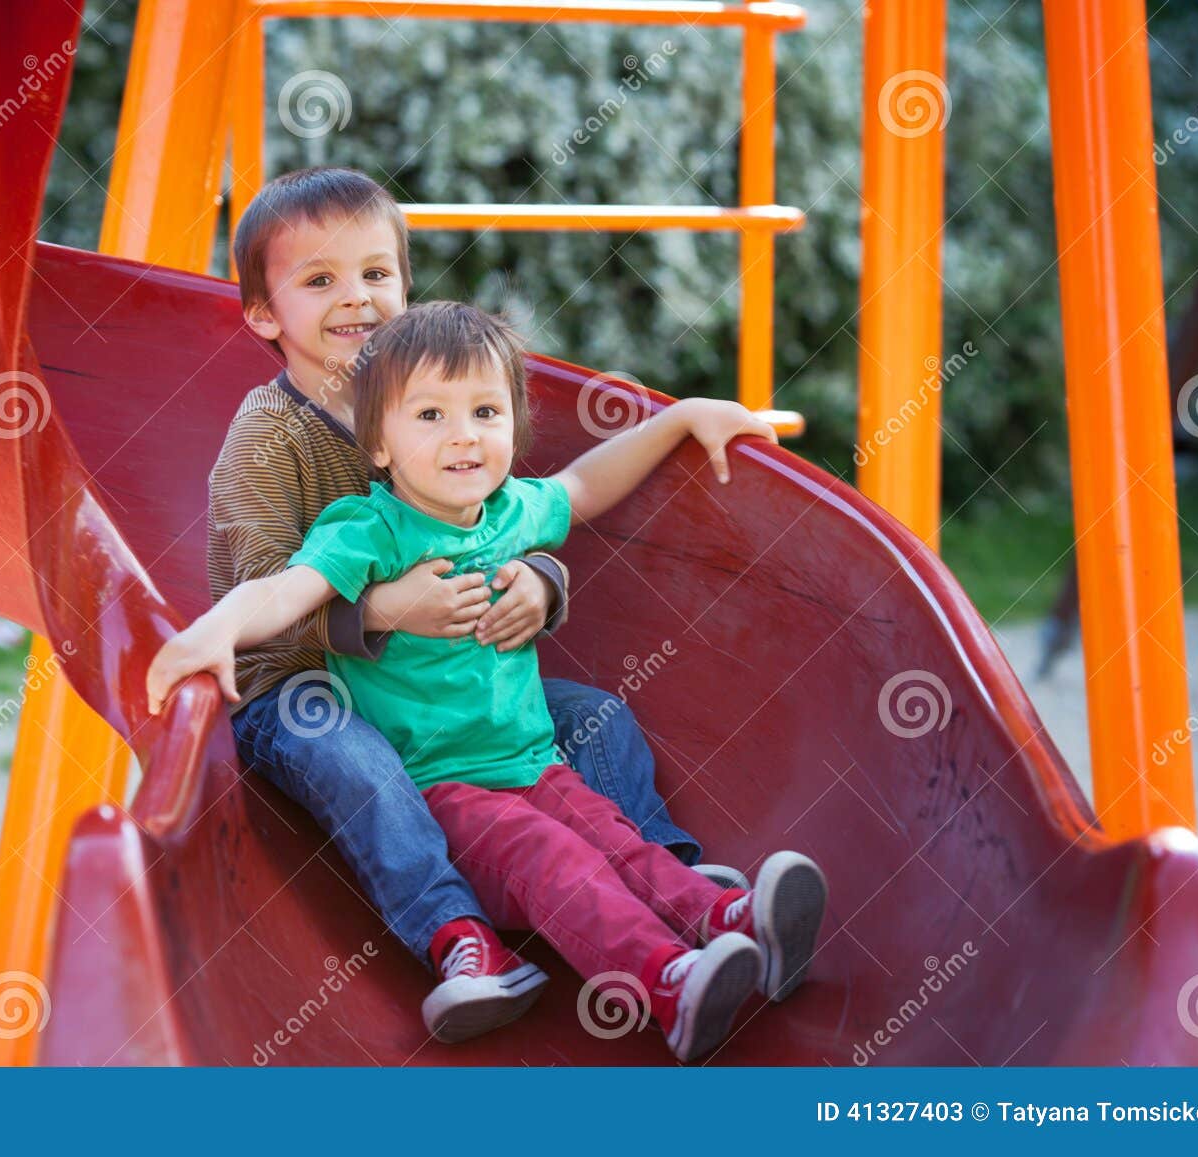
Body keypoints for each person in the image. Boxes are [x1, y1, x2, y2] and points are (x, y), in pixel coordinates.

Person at [148, 301, 828, 1061]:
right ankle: (665, 984)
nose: (464, 434)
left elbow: (582, 484)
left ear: (512, 426)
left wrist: (678, 420)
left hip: (535, 765)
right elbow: (285, 590)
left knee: (618, 838)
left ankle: (725, 919)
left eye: (484, 411)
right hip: (446, 792)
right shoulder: (367, 529)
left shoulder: (510, 511)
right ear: (379, 442)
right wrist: (214, 629)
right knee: (559, 862)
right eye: (431, 414)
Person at [190, 167, 747, 1043]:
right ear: (265, 313)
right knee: (354, 756)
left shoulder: (437, 393)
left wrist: (542, 582)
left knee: (594, 716)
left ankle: (674, 886)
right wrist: (380, 611)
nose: (357, 299)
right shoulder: (268, 438)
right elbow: (262, 587)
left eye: (377, 273)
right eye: (321, 280)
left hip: (445, 687)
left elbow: (523, 510)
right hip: (301, 683)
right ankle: (460, 935)